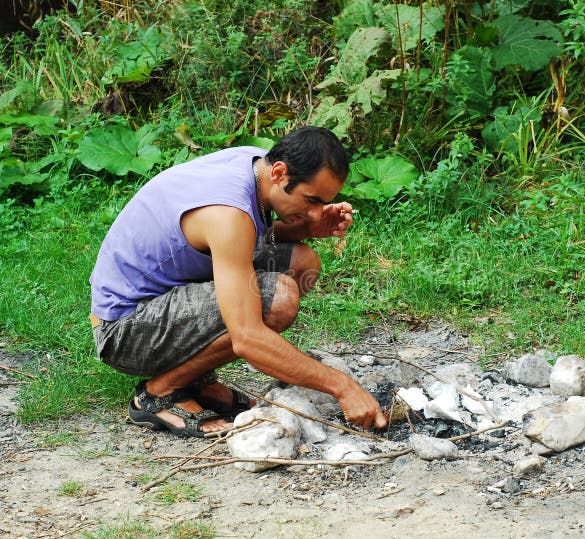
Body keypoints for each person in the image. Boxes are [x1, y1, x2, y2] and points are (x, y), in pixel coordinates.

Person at [89, 126, 388, 438]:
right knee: (277, 301)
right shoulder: (229, 214)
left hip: (165, 296)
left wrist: (307, 228)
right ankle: (159, 392)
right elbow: (247, 337)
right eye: (312, 200)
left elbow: (245, 238)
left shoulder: (255, 164)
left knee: (302, 263)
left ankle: (195, 379)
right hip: (126, 330)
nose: (315, 213)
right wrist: (343, 386)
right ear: (280, 173)